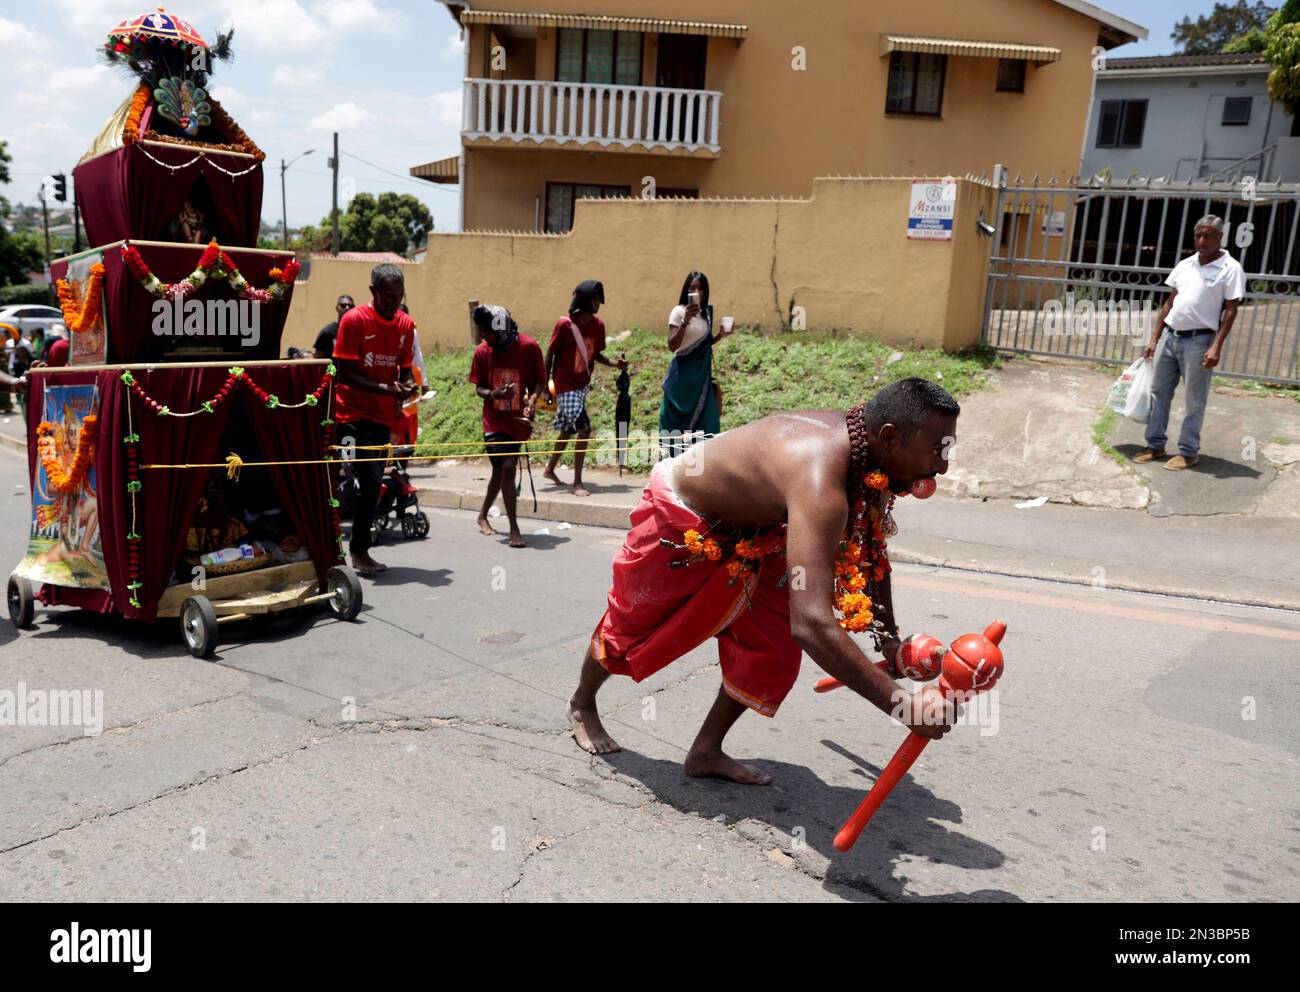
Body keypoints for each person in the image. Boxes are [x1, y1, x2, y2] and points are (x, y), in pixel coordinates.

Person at [566, 377, 960, 785]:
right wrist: (902, 707)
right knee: (630, 629)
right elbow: (812, 624)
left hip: (764, 532)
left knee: (771, 650)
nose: (943, 467)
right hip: (684, 519)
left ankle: (705, 751)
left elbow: (871, 548)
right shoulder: (819, 477)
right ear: (891, 437)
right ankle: (583, 702)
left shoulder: (871, 460)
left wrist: (890, 641)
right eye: (937, 450)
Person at [1134, 215, 1245, 471]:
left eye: (1208, 236)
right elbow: (1170, 302)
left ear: (1219, 237)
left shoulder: (1230, 268)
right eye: (1198, 235)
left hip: (1199, 342)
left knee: (1195, 400)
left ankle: (1188, 451)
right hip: (1170, 338)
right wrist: (1154, 338)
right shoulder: (1186, 264)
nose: (1202, 241)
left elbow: (1231, 310)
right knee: (1159, 392)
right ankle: (1155, 444)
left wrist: (1216, 346)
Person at [332, 264, 418, 576]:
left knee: (371, 484)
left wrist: (405, 384)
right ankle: (333, 548)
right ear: (373, 292)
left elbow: (404, 367)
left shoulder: (406, 325)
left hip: (382, 417)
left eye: (399, 296)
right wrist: (384, 388)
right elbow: (344, 373)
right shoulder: (354, 320)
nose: (395, 302)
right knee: (357, 480)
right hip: (350, 414)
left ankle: (358, 551)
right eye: (389, 296)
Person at [469, 304, 546, 548]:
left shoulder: (528, 347)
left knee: (500, 471)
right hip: (494, 421)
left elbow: (538, 383)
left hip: (517, 421)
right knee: (508, 467)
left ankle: (482, 515)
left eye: (486, 331)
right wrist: (494, 393)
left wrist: (533, 399)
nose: (482, 336)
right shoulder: (482, 352)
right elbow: (479, 388)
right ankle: (514, 527)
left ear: (500, 329)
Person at [543, 280, 627, 497]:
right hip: (565, 385)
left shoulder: (598, 326)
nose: (597, 303)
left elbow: (595, 354)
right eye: (594, 299)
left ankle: (550, 469)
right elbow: (550, 353)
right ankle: (577, 483)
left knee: (569, 429)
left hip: (582, 385)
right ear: (583, 300)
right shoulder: (565, 325)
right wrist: (544, 385)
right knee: (584, 428)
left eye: (599, 300)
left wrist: (615, 364)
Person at [660, 271, 732, 455]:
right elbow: (672, 345)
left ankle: (707, 472)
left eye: (700, 288)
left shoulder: (706, 314)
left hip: (702, 379)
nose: (696, 291)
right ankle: (672, 466)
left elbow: (704, 344)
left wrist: (720, 336)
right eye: (692, 288)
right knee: (675, 424)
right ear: (686, 290)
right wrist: (685, 321)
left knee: (709, 421)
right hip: (682, 377)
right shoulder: (678, 311)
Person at [314, 294, 355, 360]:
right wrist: (332, 370)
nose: (347, 308)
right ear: (337, 308)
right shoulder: (327, 332)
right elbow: (319, 360)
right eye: (343, 305)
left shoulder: (358, 331)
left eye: (351, 306)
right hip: (332, 369)